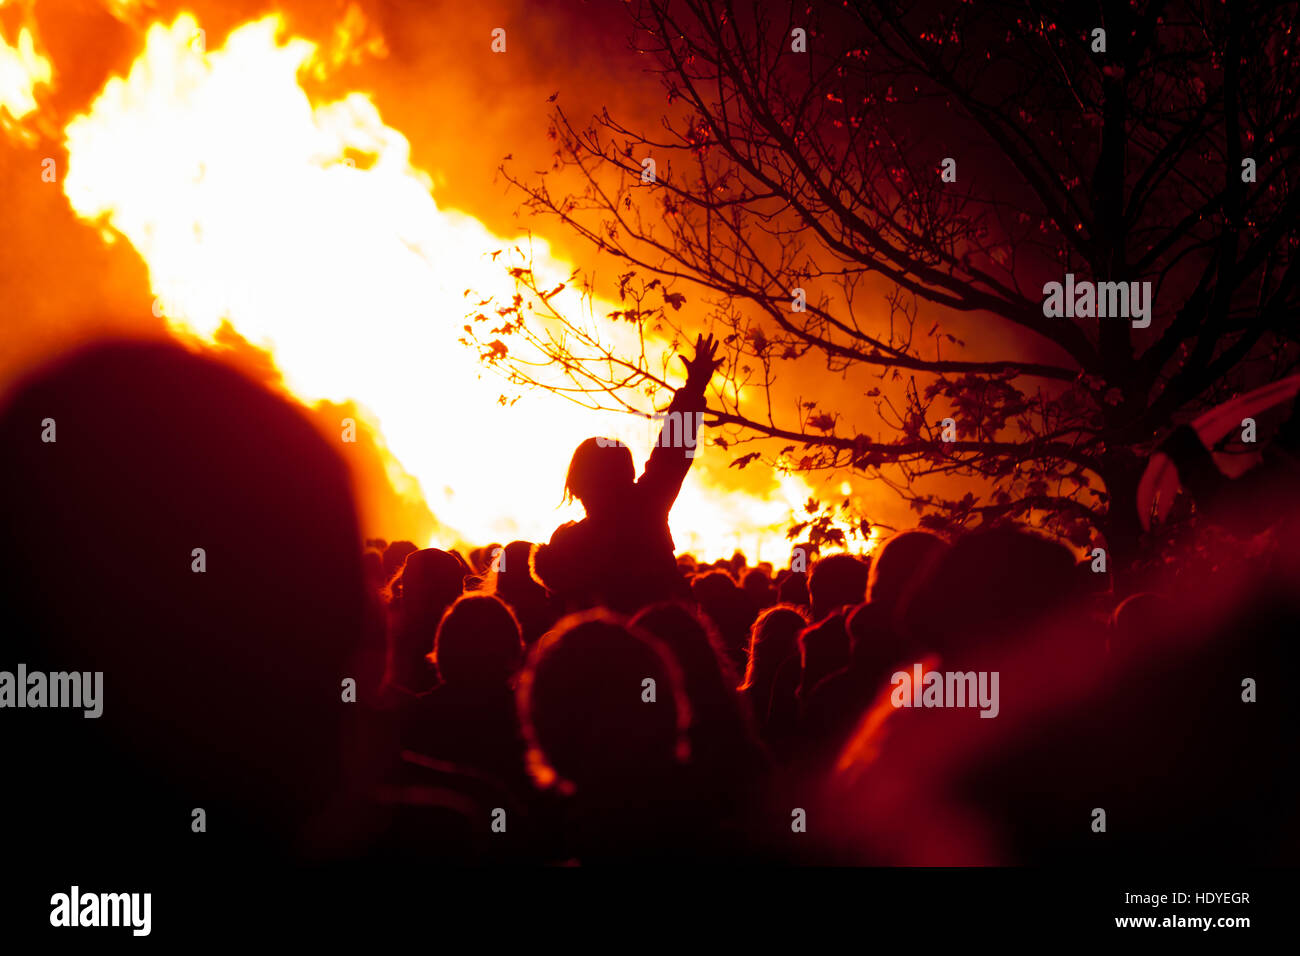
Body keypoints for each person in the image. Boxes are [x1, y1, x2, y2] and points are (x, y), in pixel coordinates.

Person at [532, 334, 722, 614]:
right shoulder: (645, 508)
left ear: (576, 483)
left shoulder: (567, 546)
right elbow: (672, 452)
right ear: (628, 473)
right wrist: (694, 388)